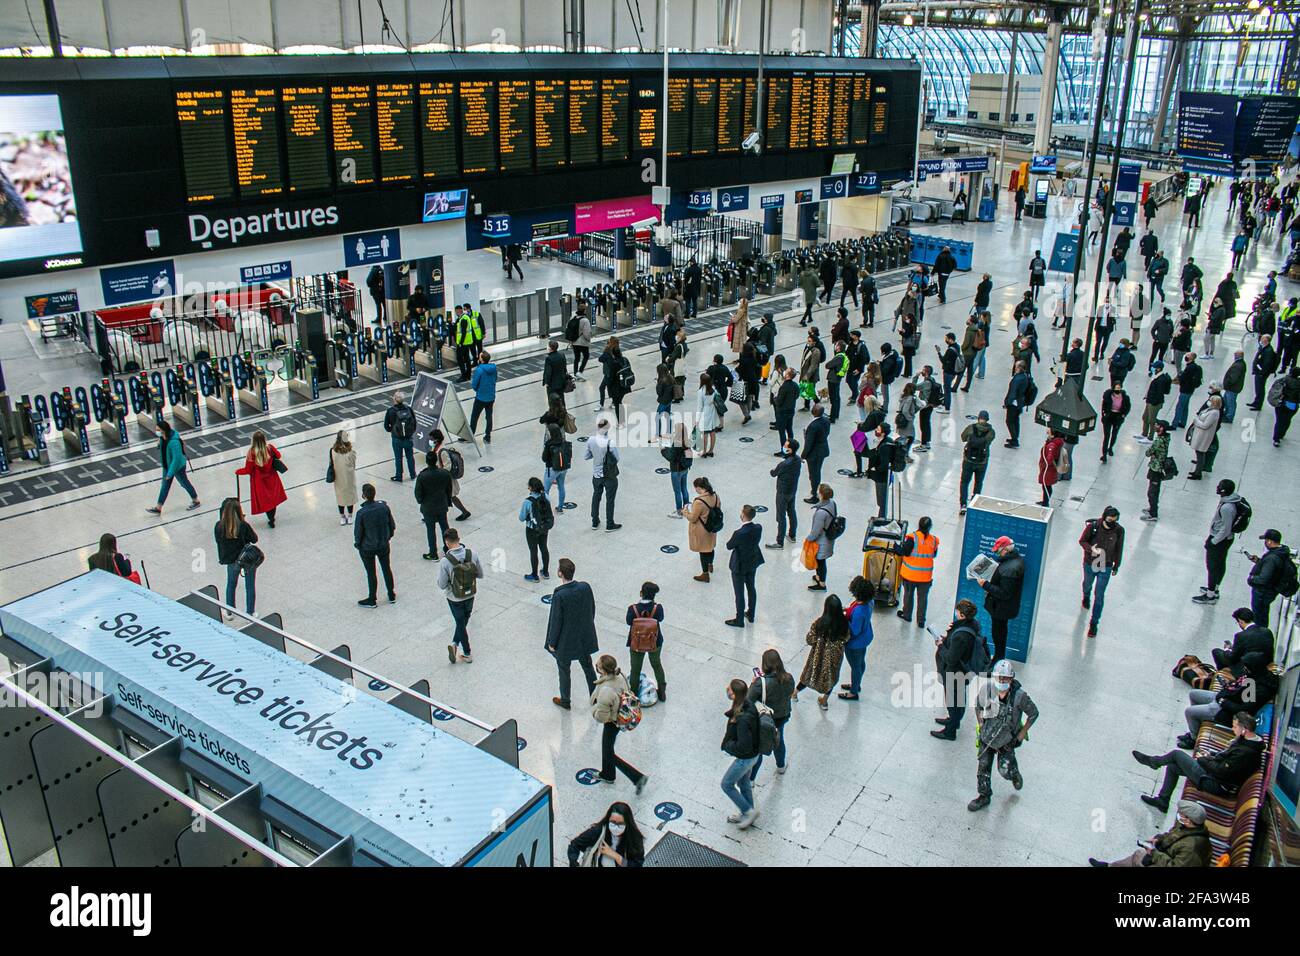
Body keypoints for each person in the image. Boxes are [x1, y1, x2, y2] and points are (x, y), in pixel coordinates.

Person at [1131, 710, 1265, 814]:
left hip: (1217, 784)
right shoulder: (1249, 742)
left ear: (1244, 730)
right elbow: (1227, 760)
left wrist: (1202, 759)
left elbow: (1221, 772)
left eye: (1235, 727)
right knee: (1172, 766)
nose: (1233, 729)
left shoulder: (1245, 752)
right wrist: (1211, 755)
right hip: (1218, 777)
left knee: (1176, 755)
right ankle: (1162, 800)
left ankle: (1153, 762)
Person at [967, 659, 1038, 812]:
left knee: (1004, 769)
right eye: (999, 677)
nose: (1001, 680)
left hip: (1007, 741)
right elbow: (978, 706)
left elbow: (1033, 713)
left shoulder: (1020, 696)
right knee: (983, 768)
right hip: (987, 737)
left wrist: (1022, 732)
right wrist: (980, 725)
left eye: (1005, 678)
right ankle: (984, 795)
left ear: (1011, 678)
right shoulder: (987, 690)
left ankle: (1014, 774)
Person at [1089, 802, 1210, 868]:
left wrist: (1154, 853)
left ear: (1189, 820)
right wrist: (1158, 839)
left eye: (1182, 815)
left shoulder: (1192, 848)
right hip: (1170, 856)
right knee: (1140, 855)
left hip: (1174, 863)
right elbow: (1171, 835)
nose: (1179, 816)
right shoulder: (1188, 826)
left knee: (1139, 858)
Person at [546, 558, 599, 709]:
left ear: (560, 573)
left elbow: (556, 621)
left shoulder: (560, 596)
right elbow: (591, 608)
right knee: (588, 666)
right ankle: (595, 697)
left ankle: (565, 700)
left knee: (564, 670)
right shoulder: (585, 587)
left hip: (565, 640)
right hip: (583, 636)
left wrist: (552, 642)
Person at [589, 655, 648, 791]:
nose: (596, 666)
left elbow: (601, 717)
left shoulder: (605, 690)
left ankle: (637, 777)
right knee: (607, 747)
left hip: (612, 721)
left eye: (598, 665)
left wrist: (594, 711)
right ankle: (608, 774)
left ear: (603, 670)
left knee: (608, 751)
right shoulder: (620, 676)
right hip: (621, 716)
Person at [931, 599, 983, 740]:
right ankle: (954, 721)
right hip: (964, 671)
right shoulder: (972, 625)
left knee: (953, 702)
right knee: (959, 699)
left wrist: (941, 645)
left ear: (961, 615)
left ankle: (950, 731)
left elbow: (951, 658)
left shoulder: (961, 635)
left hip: (955, 673)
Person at [720, 678, 762, 828]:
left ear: (734, 695)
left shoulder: (743, 719)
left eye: (729, 689)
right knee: (743, 782)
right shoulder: (747, 703)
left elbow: (743, 746)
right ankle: (748, 814)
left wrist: (727, 746)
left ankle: (748, 811)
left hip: (746, 758)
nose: (727, 689)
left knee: (726, 784)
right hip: (754, 755)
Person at [796, 594, 849, 710]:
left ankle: (794, 693)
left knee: (808, 676)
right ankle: (824, 701)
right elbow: (846, 638)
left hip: (817, 656)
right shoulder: (844, 623)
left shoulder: (819, 623)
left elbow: (809, 639)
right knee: (831, 678)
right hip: (834, 658)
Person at [1078, 506, 1124, 638]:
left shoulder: (1119, 531)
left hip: (1106, 565)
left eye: (1115, 520)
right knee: (1087, 584)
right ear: (1104, 517)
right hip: (1090, 562)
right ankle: (1086, 596)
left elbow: (1119, 548)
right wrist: (1090, 549)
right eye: (1110, 519)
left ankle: (1094, 623)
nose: (1112, 523)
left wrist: (1116, 565)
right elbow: (1082, 541)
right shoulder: (1093, 527)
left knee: (1099, 594)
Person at [978, 535, 1024, 663]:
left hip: (1001, 608)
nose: (997, 553)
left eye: (998, 551)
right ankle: (999, 656)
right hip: (1002, 607)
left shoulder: (1011, 569)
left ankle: (998, 658)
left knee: (999, 633)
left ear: (1006, 549)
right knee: (999, 631)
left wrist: (985, 585)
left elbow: (1004, 593)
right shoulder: (1013, 561)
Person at [747, 650, 794, 778]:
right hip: (782, 716)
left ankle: (751, 779)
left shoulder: (760, 683)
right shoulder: (789, 678)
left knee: (759, 747)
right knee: (779, 740)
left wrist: (753, 682)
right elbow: (790, 693)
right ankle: (781, 766)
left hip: (765, 718)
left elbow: (748, 700)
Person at [353, 483, 396, 609]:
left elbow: (358, 532)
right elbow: (392, 525)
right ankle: (391, 594)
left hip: (367, 547)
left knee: (371, 572)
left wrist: (358, 544)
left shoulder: (362, 513)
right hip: (383, 544)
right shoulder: (384, 508)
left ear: (364, 495)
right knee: (386, 568)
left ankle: (372, 598)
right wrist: (388, 537)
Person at [146, 419, 200, 515]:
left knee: (184, 483)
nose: (156, 431)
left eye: (158, 430)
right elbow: (164, 450)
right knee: (165, 486)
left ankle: (196, 500)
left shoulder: (174, 442)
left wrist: (170, 473)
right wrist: (159, 445)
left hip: (178, 467)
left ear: (163, 430)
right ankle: (158, 507)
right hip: (167, 465)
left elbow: (176, 459)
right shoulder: (163, 438)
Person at [235, 430, 287, 528]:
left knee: (265, 500)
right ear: (264, 439)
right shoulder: (270, 448)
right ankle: (272, 518)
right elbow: (279, 455)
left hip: (259, 481)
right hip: (272, 477)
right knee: (272, 498)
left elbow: (248, 469)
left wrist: (238, 471)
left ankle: (270, 517)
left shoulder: (251, 452)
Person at [567, 802, 644, 867]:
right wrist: (574, 864)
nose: (616, 827)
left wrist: (616, 856)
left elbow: (637, 864)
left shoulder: (634, 839)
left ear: (627, 823)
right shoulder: (598, 831)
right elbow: (575, 845)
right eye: (613, 822)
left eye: (620, 824)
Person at [214, 498, 257, 614]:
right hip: (246, 559)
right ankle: (250, 612)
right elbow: (254, 539)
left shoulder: (219, 526)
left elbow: (218, 541)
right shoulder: (243, 525)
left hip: (231, 561)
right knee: (250, 586)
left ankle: (229, 611)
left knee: (231, 585)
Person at [626, 581, 667, 702]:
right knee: (656, 664)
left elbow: (629, 621)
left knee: (635, 668)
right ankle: (662, 692)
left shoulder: (633, 609)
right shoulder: (658, 608)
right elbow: (661, 619)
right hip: (655, 642)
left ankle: (633, 695)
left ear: (641, 593)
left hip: (636, 643)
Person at [1246, 529, 1295, 629]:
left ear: (1270, 542)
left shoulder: (1272, 558)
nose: (1265, 543)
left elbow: (1264, 579)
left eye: (1266, 540)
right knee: (1262, 613)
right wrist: (1259, 561)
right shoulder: (1281, 552)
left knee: (1259, 615)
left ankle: (1259, 635)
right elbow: (1274, 570)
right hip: (1271, 590)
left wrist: (1251, 579)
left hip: (1263, 592)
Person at [724, 504, 763, 627]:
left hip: (739, 565)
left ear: (743, 515)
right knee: (751, 587)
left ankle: (739, 619)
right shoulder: (758, 528)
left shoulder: (739, 533)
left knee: (739, 592)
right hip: (752, 561)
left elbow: (729, 545)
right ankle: (751, 613)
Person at [897, 516, 938, 628]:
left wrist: (896, 547)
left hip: (910, 575)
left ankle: (907, 615)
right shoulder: (933, 540)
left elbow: (904, 552)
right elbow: (934, 554)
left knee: (908, 596)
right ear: (930, 527)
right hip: (925, 577)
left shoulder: (912, 538)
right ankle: (921, 621)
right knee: (923, 599)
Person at [1208, 607, 1275, 674]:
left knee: (1216, 652)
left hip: (1247, 668)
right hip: (1265, 663)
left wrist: (1227, 649)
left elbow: (1232, 658)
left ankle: (1224, 674)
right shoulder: (1267, 631)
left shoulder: (1240, 636)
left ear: (1241, 621)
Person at [585, 416, 621, 531]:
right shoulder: (610, 442)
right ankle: (609, 524)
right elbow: (617, 458)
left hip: (596, 475)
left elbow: (586, 456)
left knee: (596, 496)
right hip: (609, 476)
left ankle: (595, 521)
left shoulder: (590, 440)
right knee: (610, 499)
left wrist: (596, 455)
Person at [682, 476, 721, 583]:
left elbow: (693, 518)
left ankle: (705, 574)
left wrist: (685, 512)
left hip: (702, 531)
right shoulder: (716, 496)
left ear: (700, 487)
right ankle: (710, 564)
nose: (695, 490)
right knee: (711, 548)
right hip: (712, 528)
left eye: (696, 488)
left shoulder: (699, 502)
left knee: (703, 552)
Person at [431, 429, 472, 522]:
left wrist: (439, 473)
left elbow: (447, 466)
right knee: (441, 497)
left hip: (445, 479)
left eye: (431, 438)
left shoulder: (442, 451)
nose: (430, 440)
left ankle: (464, 512)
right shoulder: (436, 448)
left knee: (451, 497)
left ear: (436, 439)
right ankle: (434, 514)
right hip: (442, 478)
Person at [804, 483, 838, 591]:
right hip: (828, 538)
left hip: (822, 541)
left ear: (822, 495)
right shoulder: (832, 503)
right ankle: (819, 577)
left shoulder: (821, 513)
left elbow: (816, 531)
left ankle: (822, 584)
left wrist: (808, 539)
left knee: (820, 561)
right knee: (820, 561)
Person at [768, 437, 800, 549]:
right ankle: (792, 535)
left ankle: (779, 541)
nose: (784, 447)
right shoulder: (797, 460)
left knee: (781, 516)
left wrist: (772, 471)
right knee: (792, 512)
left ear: (790, 450)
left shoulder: (785, 464)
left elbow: (774, 473)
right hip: (792, 490)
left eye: (786, 446)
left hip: (782, 492)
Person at [959, 411, 994, 514]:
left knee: (964, 482)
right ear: (987, 419)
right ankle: (974, 504)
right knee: (978, 482)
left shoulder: (971, 428)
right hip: (982, 462)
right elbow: (989, 441)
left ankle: (963, 504)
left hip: (968, 460)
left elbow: (963, 438)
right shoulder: (991, 432)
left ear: (978, 418)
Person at [1141, 420, 1172, 522]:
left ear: (1161, 428)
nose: (1155, 426)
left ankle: (1153, 513)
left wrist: (1152, 453)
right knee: (1155, 490)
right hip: (1159, 467)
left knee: (1152, 492)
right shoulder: (1166, 438)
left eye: (1157, 425)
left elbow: (1148, 452)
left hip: (1156, 468)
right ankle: (1152, 507)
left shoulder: (1158, 441)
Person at [801, 404, 831, 503]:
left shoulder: (813, 426)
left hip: (814, 453)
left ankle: (815, 494)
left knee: (814, 474)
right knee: (817, 471)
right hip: (822, 449)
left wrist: (803, 455)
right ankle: (815, 488)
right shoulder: (826, 420)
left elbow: (809, 444)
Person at [1187, 395, 1221, 480]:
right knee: (1198, 453)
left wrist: (1196, 421)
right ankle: (1197, 471)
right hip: (1200, 434)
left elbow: (1205, 425)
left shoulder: (1214, 413)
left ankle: (1198, 473)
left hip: (1203, 436)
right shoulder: (1210, 410)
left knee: (1200, 453)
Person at [329, 430, 358, 525]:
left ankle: (342, 516)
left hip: (338, 478)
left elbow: (331, 463)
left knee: (340, 497)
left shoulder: (333, 450)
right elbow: (353, 465)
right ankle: (350, 516)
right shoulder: (351, 451)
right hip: (349, 477)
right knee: (350, 497)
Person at [1098, 381, 1131, 463]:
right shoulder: (1108, 396)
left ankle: (1111, 447)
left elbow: (1128, 407)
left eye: (1119, 388)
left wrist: (1123, 415)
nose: (1117, 390)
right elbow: (1104, 405)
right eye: (1116, 388)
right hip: (1109, 416)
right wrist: (1104, 414)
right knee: (1106, 436)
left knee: (1114, 434)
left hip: (1118, 417)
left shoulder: (1125, 397)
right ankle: (1104, 454)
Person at [542, 422, 571, 514]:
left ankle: (546, 511)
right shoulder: (563, 441)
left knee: (545, 491)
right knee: (561, 487)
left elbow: (544, 458)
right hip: (564, 468)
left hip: (552, 470)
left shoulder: (549, 444)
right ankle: (560, 508)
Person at [469, 350, 497, 444]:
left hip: (480, 397)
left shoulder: (479, 370)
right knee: (489, 417)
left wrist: (478, 390)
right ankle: (488, 436)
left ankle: (471, 435)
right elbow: (495, 379)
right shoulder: (494, 368)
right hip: (491, 397)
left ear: (481, 359)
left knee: (474, 416)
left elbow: (474, 384)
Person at [1248, 333, 1279, 410]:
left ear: (1266, 340)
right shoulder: (1263, 348)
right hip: (1259, 372)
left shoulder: (1268, 351)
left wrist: (1261, 372)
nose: (1261, 339)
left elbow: (1266, 364)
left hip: (1261, 374)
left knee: (1260, 389)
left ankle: (1258, 404)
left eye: (1262, 338)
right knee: (1257, 388)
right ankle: (1256, 401)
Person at [1003, 361, 1031, 448]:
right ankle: (1015, 437)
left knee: (1009, 421)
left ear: (1019, 368)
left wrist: (1007, 402)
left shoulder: (1017, 379)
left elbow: (1012, 392)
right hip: (1020, 402)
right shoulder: (1025, 376)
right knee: (1015, 420)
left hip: (1014, 403)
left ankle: (1014, 440)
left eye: (1016, 366)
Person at [695, 373, 722, 459]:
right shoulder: (713, 389)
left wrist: (697, 419)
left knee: (705, 434)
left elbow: (699, 407)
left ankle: (704, 452)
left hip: (705, 413)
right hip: (713, 411)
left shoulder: (701, 392)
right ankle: (711, 451)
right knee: (713, 433)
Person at [1271, 366, 1300, 445]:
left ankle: (1276, 439)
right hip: (1293, 405)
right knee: (1287, 420)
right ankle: (1282, 434)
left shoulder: (1284, 379)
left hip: (1282, 403)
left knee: (1279, 421)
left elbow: (1276, 388)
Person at [1037, 429, 1066, 507]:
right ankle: (1045, 500)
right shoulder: (1056, 443)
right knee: (1047, 485)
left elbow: (1049, 458)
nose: (1047, 432)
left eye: (1049, 431)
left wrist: (1043, 465)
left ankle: (1045, 503)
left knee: (1046, 486)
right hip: (1051, 469)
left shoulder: (1052, 445)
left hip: (1048, 469)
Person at [772, 367, 798, 452]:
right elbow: (797, 395)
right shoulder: (795, 385)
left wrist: (775, 399)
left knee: (782, 431)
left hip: (782, 412)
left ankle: (784, 450)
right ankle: (792, 446)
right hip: (791, 410)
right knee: (789, 428)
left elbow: (779, 401)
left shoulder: (784, 386)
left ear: (787, 375)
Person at [1222, 350, 1246, 424]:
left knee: (1230, 403)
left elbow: (1233, 378)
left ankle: (1229, 417)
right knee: (1227, 401)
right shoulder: (1241, 363)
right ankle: (1226, 414)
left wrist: (1226, 384)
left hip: (1232, 388)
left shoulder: (1238, 365)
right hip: (1233, 388)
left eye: (1235, 354)